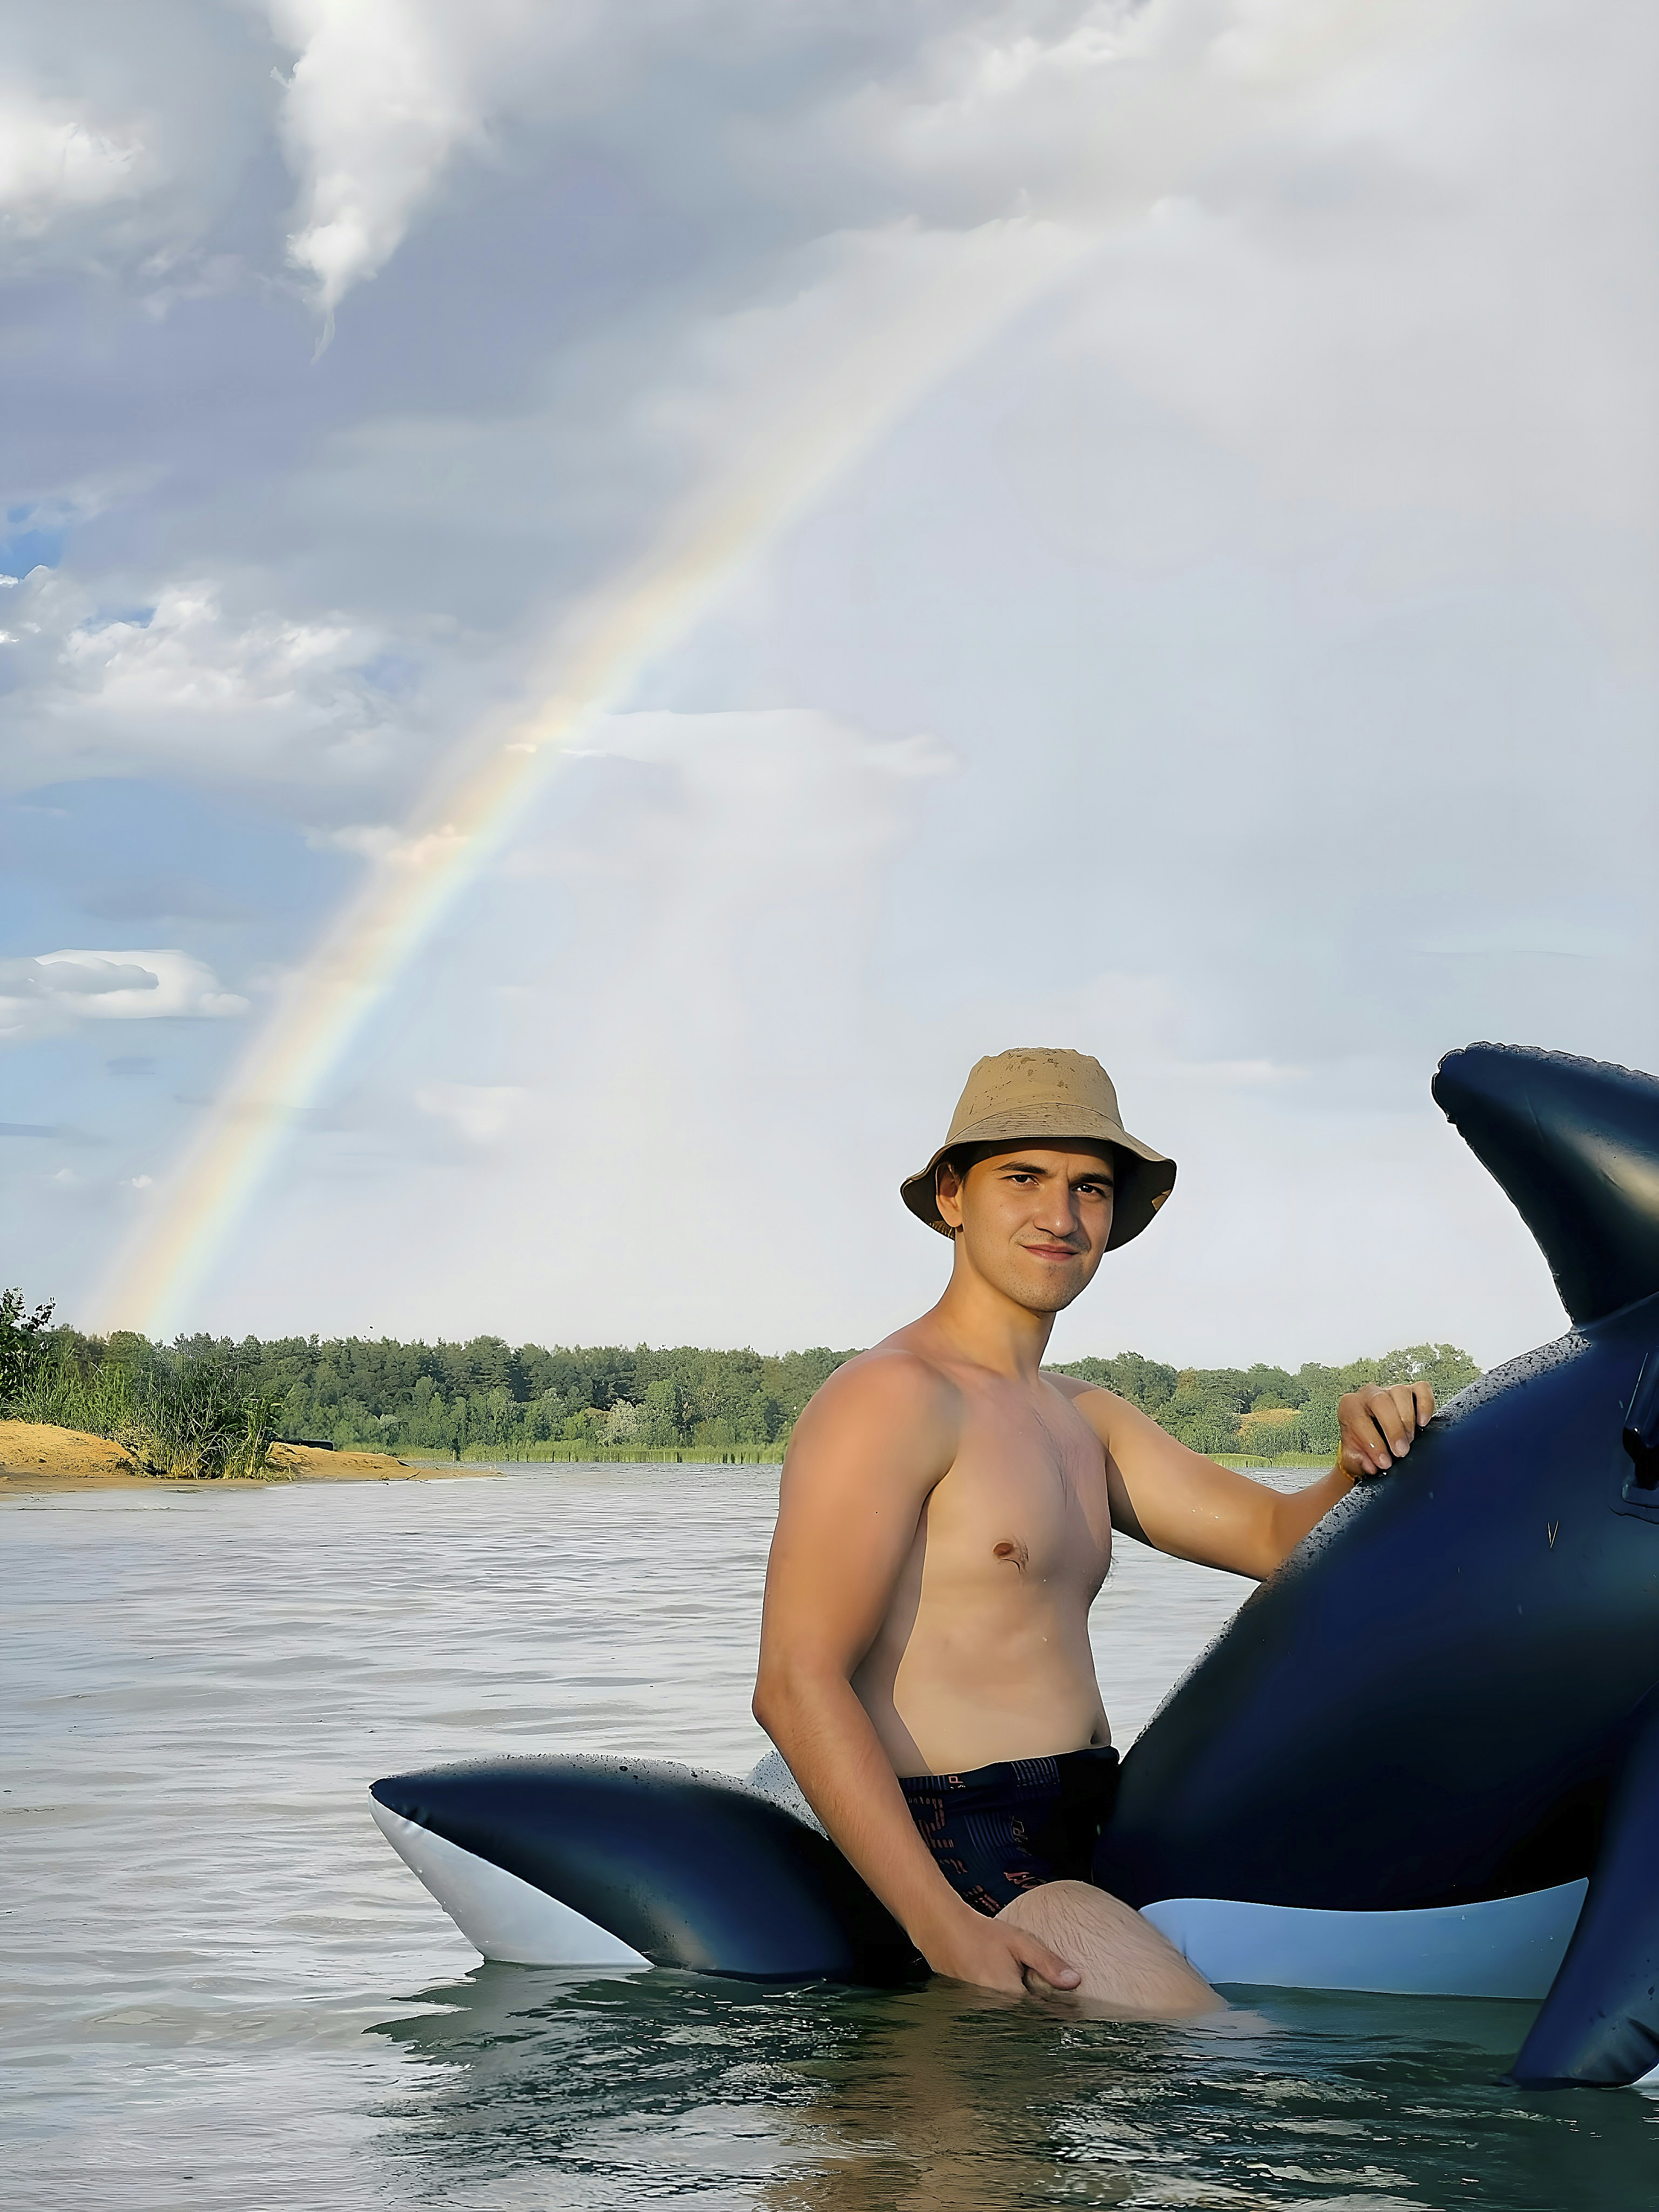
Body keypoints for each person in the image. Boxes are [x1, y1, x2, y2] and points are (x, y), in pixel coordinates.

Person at [752, 1047, 1434, 2014]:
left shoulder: (1088, 1419)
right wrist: (944, 1927)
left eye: (1090, 1188)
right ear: (954, 1196)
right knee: (1222, 2060)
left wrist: (1363, 1450)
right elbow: (794, 1682)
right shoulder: (890, 1399)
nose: (1060, 1216)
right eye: (1022, 1178)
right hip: (968, 1839)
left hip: (1098, 1822)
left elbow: (1285, 1542)